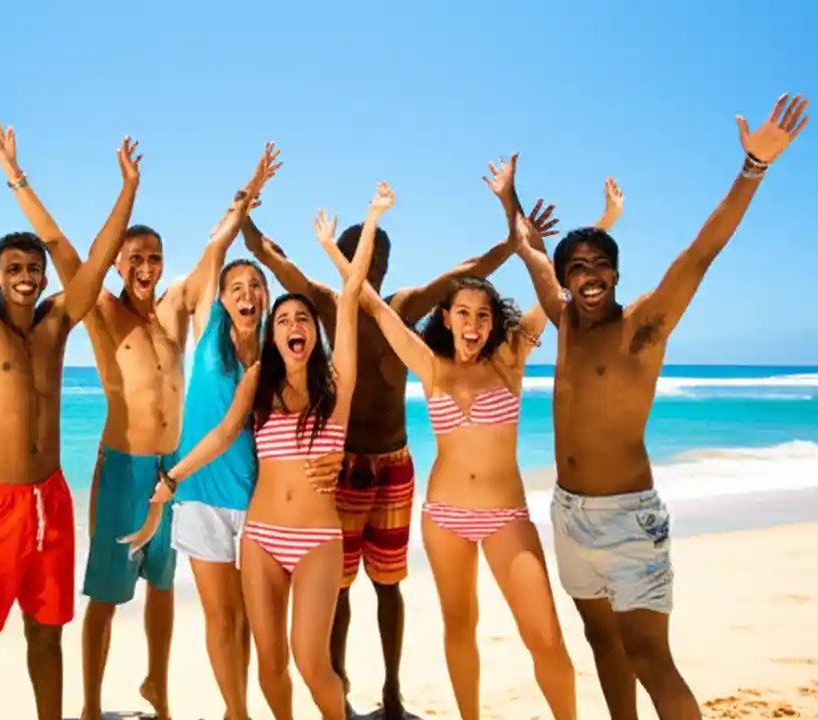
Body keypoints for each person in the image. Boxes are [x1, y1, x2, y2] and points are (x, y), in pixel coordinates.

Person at [240, 169, 622, 719]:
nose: (471, 324)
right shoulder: (373, 328)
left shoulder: (469, 339)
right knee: (390, 606)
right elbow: (324, 283)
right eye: (462, 314)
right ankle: (348, 697)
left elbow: (516, 282)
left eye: (481, 315)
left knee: (503, 624)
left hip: (443, 485)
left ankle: (395, 696)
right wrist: (250, 214)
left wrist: (533, 235)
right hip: (384, 487)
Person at [511, 93, 808, 720]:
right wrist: (509, 199)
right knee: (601, 641)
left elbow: (703, 251)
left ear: (616, 275)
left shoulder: (645, 324)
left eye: (599, 266)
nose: (587, 276)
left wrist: (752, 168)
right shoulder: (564, 324)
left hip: (628, 521)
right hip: (568, 514)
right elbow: (530, 251)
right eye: (576, 269)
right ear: (566, 281)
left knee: (648, 655)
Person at [39, 143, 281, 720]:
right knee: (105, 593)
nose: (146, 268)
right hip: (124, 464)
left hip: (175, 469)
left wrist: (247, 189)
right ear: (119, 265)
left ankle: (160, 693)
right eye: (135, 259)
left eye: (154, 257)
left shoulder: (177, 306)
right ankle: (91, 707)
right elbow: (68, 253)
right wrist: (120, 189)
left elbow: (217, 245)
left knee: (163, 588)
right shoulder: (101, 309)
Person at [127, 182, 387, 720]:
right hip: (257, 530)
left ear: (313, 331)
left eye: (302, 319)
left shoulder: (337, 383)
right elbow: (222, 433)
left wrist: (364, 222)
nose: (294, 326)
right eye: (285, 320)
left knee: (309, 659)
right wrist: (168, 484)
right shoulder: (257, 380)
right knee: (267, 659)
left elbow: (351, 289)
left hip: (307, 532)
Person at [0, 95, 142, 720]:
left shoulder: (55, 326)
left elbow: (101, 258)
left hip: (49, 503)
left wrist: (127, 189)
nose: (25, 275)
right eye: (13, 268)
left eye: (33, 268)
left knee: (46, 634)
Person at [160, 152, 345, 720]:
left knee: (262, 629)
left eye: (255, 287)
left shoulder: (276, 344)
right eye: (236, 286)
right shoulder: (206, 326)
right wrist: (249, 191)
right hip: (200, 496)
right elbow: (218, 243)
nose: (246, 294)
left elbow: (320, 408)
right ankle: (236, 711)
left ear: (265, 299)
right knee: (222, 619)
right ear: (221, 296)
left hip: (261, 501)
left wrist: (334, 458)